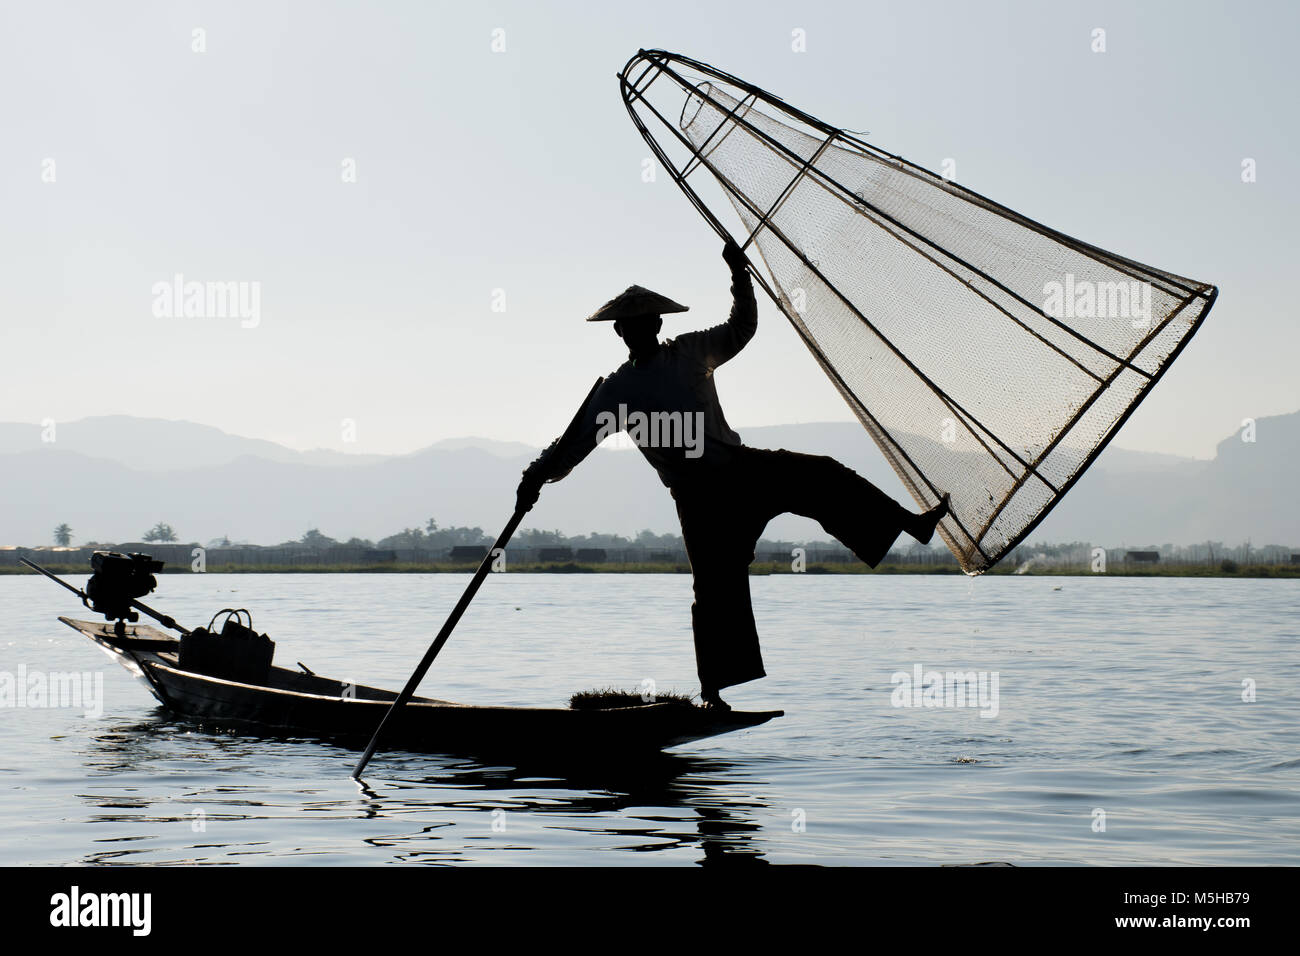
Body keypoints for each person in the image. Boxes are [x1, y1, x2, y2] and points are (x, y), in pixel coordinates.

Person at [517, 239, 949, 709]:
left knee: (823, 474)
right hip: (698, 499)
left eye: (644, 324)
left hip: (742, 470)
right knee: (714, 589)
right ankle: (713, 694)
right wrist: (534, 477)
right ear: (620, 332)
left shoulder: (690, 351)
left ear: (657, 325)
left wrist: (738, 274)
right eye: (628, 327)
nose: (636, 332)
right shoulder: (616, 392)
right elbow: (571, 447)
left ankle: (911, 523)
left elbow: (741, 328)